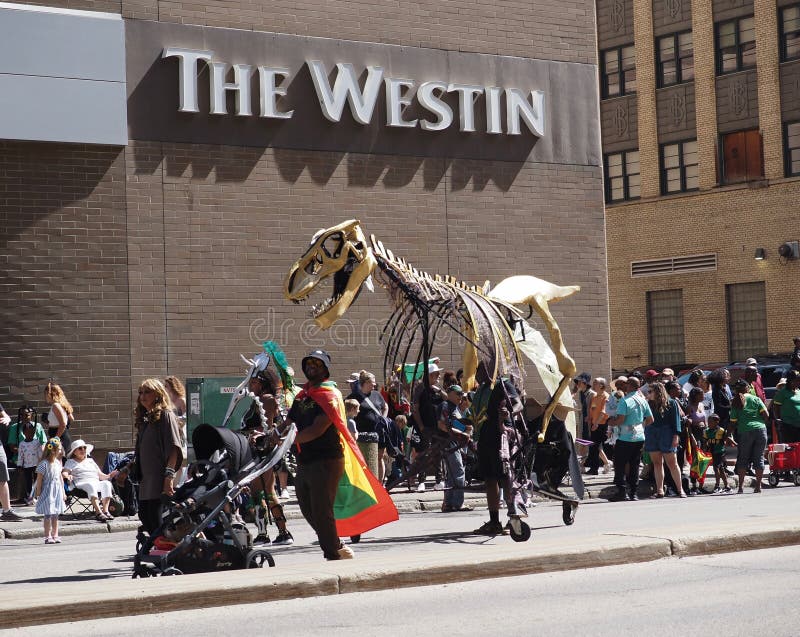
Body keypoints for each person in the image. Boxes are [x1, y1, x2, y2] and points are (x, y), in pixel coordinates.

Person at [281, 350, 352, 560]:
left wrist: (288, 440)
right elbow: (288, 421)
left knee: (321, 508)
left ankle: (334, 552)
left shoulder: (330, 394)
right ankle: (335, 544)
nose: (311, 366)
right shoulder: (303, 395)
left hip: (327, 459)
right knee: (306, 507)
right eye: (309, 363)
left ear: (325, 369)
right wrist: (273, 435)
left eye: (317, 364)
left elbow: (317, 429)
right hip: (305, 459)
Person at [473, 366, 522, 535]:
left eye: (480, 370)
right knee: (489, 479)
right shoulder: (482, 389)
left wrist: (509, 412)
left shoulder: (503, 384)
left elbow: (518, 404)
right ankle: (494, 522)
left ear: (490, 371)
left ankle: (513, 517)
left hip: (501, 435)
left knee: (505, 477)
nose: (477, 374)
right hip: (485, 435)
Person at [242, 388, 294, 546]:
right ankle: (278, 533)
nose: (251, 385)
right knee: (262, 492)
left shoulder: (267, 399)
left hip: (263, 452)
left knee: (262, 492)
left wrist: (252, 434)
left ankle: (268, 534)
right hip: (257, 451)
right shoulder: (260, 399)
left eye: (255, 382)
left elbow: (268, 428)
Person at [134, 378, 184, 534]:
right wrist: (126, 470)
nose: (143, 396)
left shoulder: (166, 415)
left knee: (157, 521)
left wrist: (169, 478)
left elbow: (174, 449)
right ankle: (159, 545)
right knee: (145, 516)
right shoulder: (145, 419)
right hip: (146, 480)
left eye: (147, 392)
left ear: (158, 394)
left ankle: (168, 546)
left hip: (159, 479)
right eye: (140, 392)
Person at [608, 376, 653, 501]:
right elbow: (650, 419)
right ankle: (633, 492)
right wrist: (639, 426)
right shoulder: (642, 400)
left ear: (630, 386)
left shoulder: (625, 401)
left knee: (620, 464)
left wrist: (611, 422)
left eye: (626, 384)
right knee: (634, 464)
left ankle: (622, 492)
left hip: (625, 437)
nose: (624, 386)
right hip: (639, 437)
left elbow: (620, 419)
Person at [644, 383, 684, 498]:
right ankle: (660, 490)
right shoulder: (648, 403)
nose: (648, 394)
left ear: (658, 392)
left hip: (667, 433)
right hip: (651, 432)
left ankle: (680, 489)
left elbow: (676, 420)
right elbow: (644, 420)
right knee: (657, 463)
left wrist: (676, 436)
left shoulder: (671, 402)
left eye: (650, 391)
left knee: (672, 463)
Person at [411, 362, 446, 491]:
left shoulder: (437, 388)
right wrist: (421, 426)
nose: (439, 376)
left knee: (438, 453)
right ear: (430, 375)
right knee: (423, 453)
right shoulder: (420, 389)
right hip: (425, 427)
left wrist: (439, 391)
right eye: (436, 374)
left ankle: (439, 480)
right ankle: (421, 481)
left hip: (437, 427)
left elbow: (447, 399)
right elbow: (415, 409)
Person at [729, 379, 768, 494]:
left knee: (743, 459)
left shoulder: (736, 401)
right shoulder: (756, 399)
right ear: (747, 388)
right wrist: (760, 422)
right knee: (759, 458)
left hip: (745, 431)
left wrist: (727, 435)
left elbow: (733, 422)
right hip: (760, 430)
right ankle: (758, 487)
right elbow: (766, 415)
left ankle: (740, 488)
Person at [346, 370, 387, 481]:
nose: (374, 384)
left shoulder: (377, 394)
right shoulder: (353, 396)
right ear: (365, 383)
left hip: (378, 431)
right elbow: (346, 410)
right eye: (372, 382)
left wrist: (383, 418)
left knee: (379, 458)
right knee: (363, 459)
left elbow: (385, 406)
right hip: (361, 433)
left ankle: (380, 484)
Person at [438, 385, 473, 513]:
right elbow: (442, 425)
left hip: (454, 443)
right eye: (458, 394)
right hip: (449, 443)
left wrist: (466, 429)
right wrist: (463, 433)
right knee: (458, 472)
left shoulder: (454, 408)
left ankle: (449, 503)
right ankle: (457, 503)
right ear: (450, 393)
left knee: (452, 475)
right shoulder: (445, 405)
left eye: (461, 394)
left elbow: (455, 424)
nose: (460, 397)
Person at [64, 439, 117, 521]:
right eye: (80, 448)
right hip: (80, 484)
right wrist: (67, 476)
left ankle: (105, 511)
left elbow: (101, 475)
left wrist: (109, 476)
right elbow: (64, 473)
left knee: (106, 484)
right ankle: (98, 513)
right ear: (74, 452)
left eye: (84, 448)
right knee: (90, 485)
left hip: (95, 482)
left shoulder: (90, 461)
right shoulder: (70, 462)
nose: (83, 450)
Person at [35, 438, 68, 543]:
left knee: (55, 514)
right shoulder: (44, 464)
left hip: (57, 491)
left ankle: (55, 534)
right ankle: (47, 536)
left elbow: (60, 478)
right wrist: (38, 491)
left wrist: (63, 492)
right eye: (59, 449)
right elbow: (39, 479)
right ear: (53, 450)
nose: (60, 451)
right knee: (48, 514)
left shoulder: (58, 463)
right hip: (48, 491)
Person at [164, 376, 188, 485]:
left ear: (172, 386)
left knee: (181, 457)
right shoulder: (169, 401)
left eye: (166, 386)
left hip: (181, 432)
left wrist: (177, 420)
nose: (165, 388)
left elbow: (187, 417)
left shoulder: (181, 400)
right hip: (173, 432)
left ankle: (179, 483)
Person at [586, 377, 610, 474]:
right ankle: (595, 468)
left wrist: (596, 423)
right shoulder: (595, 396)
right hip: (595, 424)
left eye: (595, 383)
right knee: (594, 447)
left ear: (601, 385)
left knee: (598, 447)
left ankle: (599, 467)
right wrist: (589, 418)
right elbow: (593, 409)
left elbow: (603, 412)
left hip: (602, 425)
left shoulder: (606, 396)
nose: (593, 384)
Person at [703, 414, 731, 493]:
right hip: (713, 452)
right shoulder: (707, 431)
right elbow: (705, 442)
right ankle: (727, 486)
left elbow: (727, 438)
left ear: (717, 422)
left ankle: (717, 486)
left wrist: (735, 443)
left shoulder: (721, 430)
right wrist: (704, 450)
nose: (709, 423)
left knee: (716, 468)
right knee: (721, 469)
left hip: (720, 452)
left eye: (711, 422)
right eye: (708, 422)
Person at [18, 422, 44, 504]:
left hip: (36, 465)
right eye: (28, 432)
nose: (30, 434)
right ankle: (30, 496)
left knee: (37, 481)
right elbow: (20, 455)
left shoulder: (36, 442)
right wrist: (19, 465)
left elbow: (40, 453)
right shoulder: (22, 444)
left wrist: (42, 463)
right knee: (28, 481)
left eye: (32, 432)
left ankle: (36, 496)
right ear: (24, 433)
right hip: (26, 466)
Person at [44, 381, 74, 452]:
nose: (45, 396)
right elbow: (71, 418)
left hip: (58, 436)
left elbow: (63, 424)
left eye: (45, 393)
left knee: (57, 457)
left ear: (50, 394)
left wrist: (56, 438)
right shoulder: (62, 404)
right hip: (62, 435)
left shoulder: (55, 405)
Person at [772, 369, 800, 443]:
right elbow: (775, 407)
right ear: (791, 381)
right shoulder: (782, 392)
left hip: (798, 424)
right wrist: (778, 419)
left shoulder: (798, 391)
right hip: (788, 425)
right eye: (797, 380)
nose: (799, 382)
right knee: (790, 446)